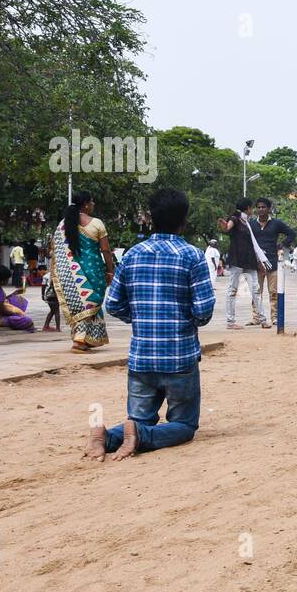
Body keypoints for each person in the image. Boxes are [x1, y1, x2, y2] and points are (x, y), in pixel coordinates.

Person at [85, 189, 215, 461]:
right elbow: (203, 311)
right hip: (180, 358)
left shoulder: (132, 255)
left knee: (140, 418)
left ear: (151, 219)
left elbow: (114, 304)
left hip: (141, 358)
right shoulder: (192, 256)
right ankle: (142, 437)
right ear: (184, 221)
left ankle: (106, 437)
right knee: (185, 425)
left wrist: (142, 319)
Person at [51, 191, 115, 352]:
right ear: (86, 204)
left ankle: (86, 339)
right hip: (94, 270)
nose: (93, 205)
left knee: (83, 301)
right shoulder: (97, 223)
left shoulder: (62, 225)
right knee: (90, 301)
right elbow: (106, 250)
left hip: (73, 273)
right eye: (92, 202)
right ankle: (79, 340)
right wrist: (110, 270)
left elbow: (56, 250)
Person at [218, 197, 270, 331]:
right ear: (247, 208)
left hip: (249, 260)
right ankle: (230, 322)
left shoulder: (246, 222)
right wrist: (225, 226)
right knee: (232, 290)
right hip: (237, 261)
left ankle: (263, 319)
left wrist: (259, 261)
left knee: (256, 290)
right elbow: (228, 227)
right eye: (252, 207)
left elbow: (252, 243)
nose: (253, 210)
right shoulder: (235, 218)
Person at [250, 198, 296, 328]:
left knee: (274, 292)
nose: (261, 209)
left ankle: (275, 317)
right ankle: (256, 317)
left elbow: (291, 233)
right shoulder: (252, 224)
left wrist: (283, 244)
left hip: (272, 262)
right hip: (256, 263)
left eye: (263, 207)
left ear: (269, 209)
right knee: (256, 291)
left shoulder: (276, 223)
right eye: (258, 207)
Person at [0, 266, 35, 332]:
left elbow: (2, 301)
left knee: (16, 299)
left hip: (1, 315)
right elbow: (2, 309)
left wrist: (14, 293)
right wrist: (17, 313)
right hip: (0, 318)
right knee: (28, 321)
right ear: (2, 280)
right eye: (7, 279)